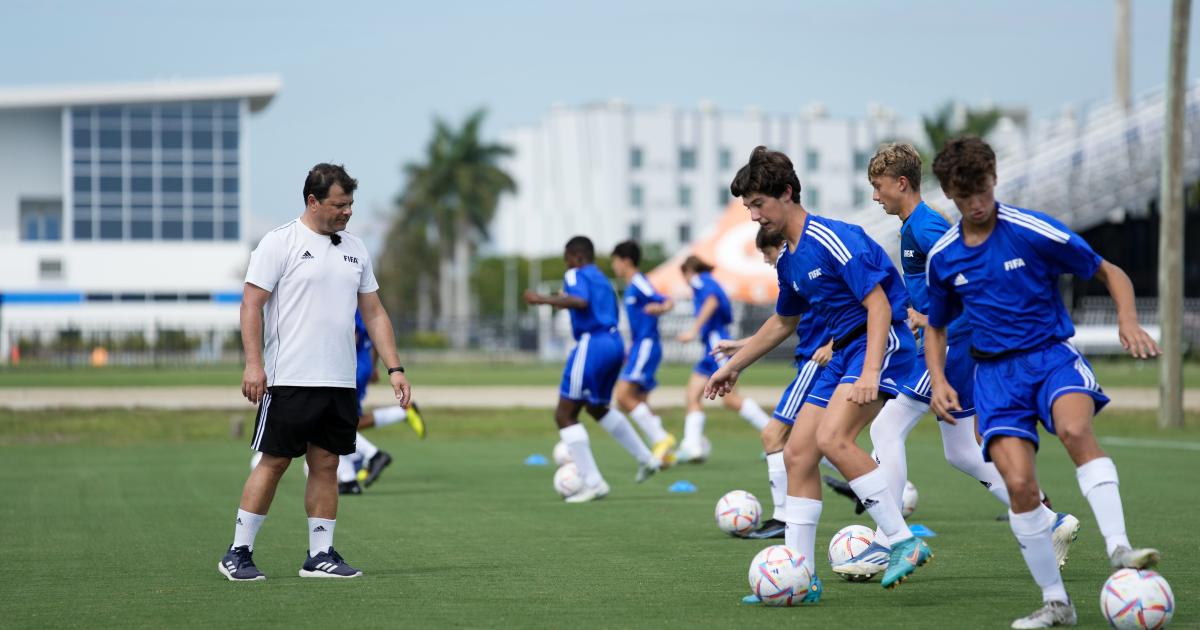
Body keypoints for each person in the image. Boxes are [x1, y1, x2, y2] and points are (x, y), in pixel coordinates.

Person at [925, 137, 1160, 628]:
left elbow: (1109, 271)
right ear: (949, 193)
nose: (978, 202)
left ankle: (1119, 547)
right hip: (995, 378)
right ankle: (1057, 603)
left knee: (1074, 430)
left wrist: (1128, 320)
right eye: (965, 195)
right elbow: (936, 326)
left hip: (1050, 358)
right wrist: (939, 379)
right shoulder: (944, 257)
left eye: (984, 189)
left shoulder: (1032, 230)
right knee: (1019, 486)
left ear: (994, 179)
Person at [835, 143, 1078, 580]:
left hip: (949, 347)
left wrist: (934, 318)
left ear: (901, 183)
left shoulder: (924, 226)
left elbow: (968, 271)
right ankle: (1048, 519)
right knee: (962, 451)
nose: (875, 196)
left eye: (878, 186)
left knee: (886, 428)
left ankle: (889, 541)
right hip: (956, 345)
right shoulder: (916, 225)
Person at [708, 146, 931, 602]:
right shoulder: (789, 259)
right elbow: (782, 323)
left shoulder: (831, 237)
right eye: (748, 207)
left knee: (834, 439)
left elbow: (879, 305)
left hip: (879, 343)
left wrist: (870, 371)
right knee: (797, 454)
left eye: (758, 204)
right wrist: (732, 367)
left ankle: (902, 540)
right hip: (842, 354)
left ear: (787, 193)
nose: (753, 216)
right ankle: (802, 577)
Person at [220, 163, 411, 581]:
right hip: (289, 377)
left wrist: (394, 368)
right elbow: (251, 304)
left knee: (326, 465)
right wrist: (253, 364)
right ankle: (238, 552)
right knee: (274, 462)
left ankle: (320, 555)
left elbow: (374, 313)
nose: (347, 212)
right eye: (339, 204)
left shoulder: (355, 248)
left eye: (350, 204)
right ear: (313, 201)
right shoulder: (280, 242)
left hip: (339, 380)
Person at [712, 227, 833, 540]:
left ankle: (782, 517)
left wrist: (832, 344)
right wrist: (741, 345)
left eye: (767, 254)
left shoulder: (805, 269)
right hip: (812, 361)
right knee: (820, 441)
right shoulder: (798, 276)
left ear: (781, 245)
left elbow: (852, 310)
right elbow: (782, 324)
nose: (766, 261)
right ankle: (866, 487)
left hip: (815, 363)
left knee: (773, 434)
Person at [524, 236, 660, 502]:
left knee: (564, 414)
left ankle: (594, 483)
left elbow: (581, 301)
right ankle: (646, 458)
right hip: (614, 343)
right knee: (597, 408)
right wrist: (563, 299)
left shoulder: (575, 273)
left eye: (567, 259)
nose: (566, 265)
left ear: (576, 257)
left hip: (592, 343)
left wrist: (542, 299)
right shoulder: (602, 278)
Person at [675, 256, 774, 462]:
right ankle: (693, 446)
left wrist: (694, 330)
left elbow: (711, 300)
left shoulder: (700, 280)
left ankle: (776, 434)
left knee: (731, 399)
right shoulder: (709, 280)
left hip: (716, 344)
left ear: (688, 271)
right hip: (710, 346)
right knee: (692, 395)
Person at [336, 310, 428, 494]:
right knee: (345, 422)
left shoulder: (347, 303)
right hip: (361, 366)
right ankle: (349, 479)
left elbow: (351, 337)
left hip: (350, 369)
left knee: (334, 423)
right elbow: (377, 333)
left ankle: (372, 456)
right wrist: (372, 366)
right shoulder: (363, 305)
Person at [610, 240, 677, 465]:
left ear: (626, 261)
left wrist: (661, 307)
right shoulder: (631, 286)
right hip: (640, 346)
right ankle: (665, 454)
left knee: (623, 396)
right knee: (638, 400)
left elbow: (666, 300)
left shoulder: (638, 281)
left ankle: (661, 439)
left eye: (615, 261)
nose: (614, 266)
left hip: (647, 345)